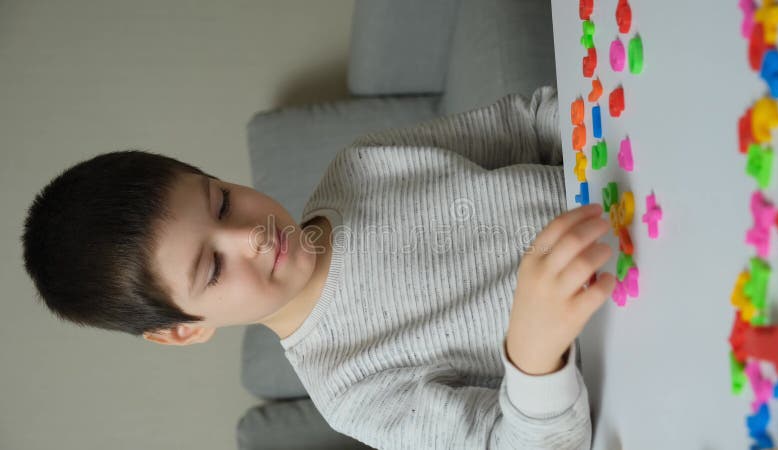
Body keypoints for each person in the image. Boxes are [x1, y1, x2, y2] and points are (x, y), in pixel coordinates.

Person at [21, 85, 616, 449]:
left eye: (222, 201)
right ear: (184, 328)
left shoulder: (361, 166)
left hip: (644, 189)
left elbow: (524, 123)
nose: (250, 237)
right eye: (213, 268)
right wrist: (535, 354)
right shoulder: (351, 392)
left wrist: (612, 127)